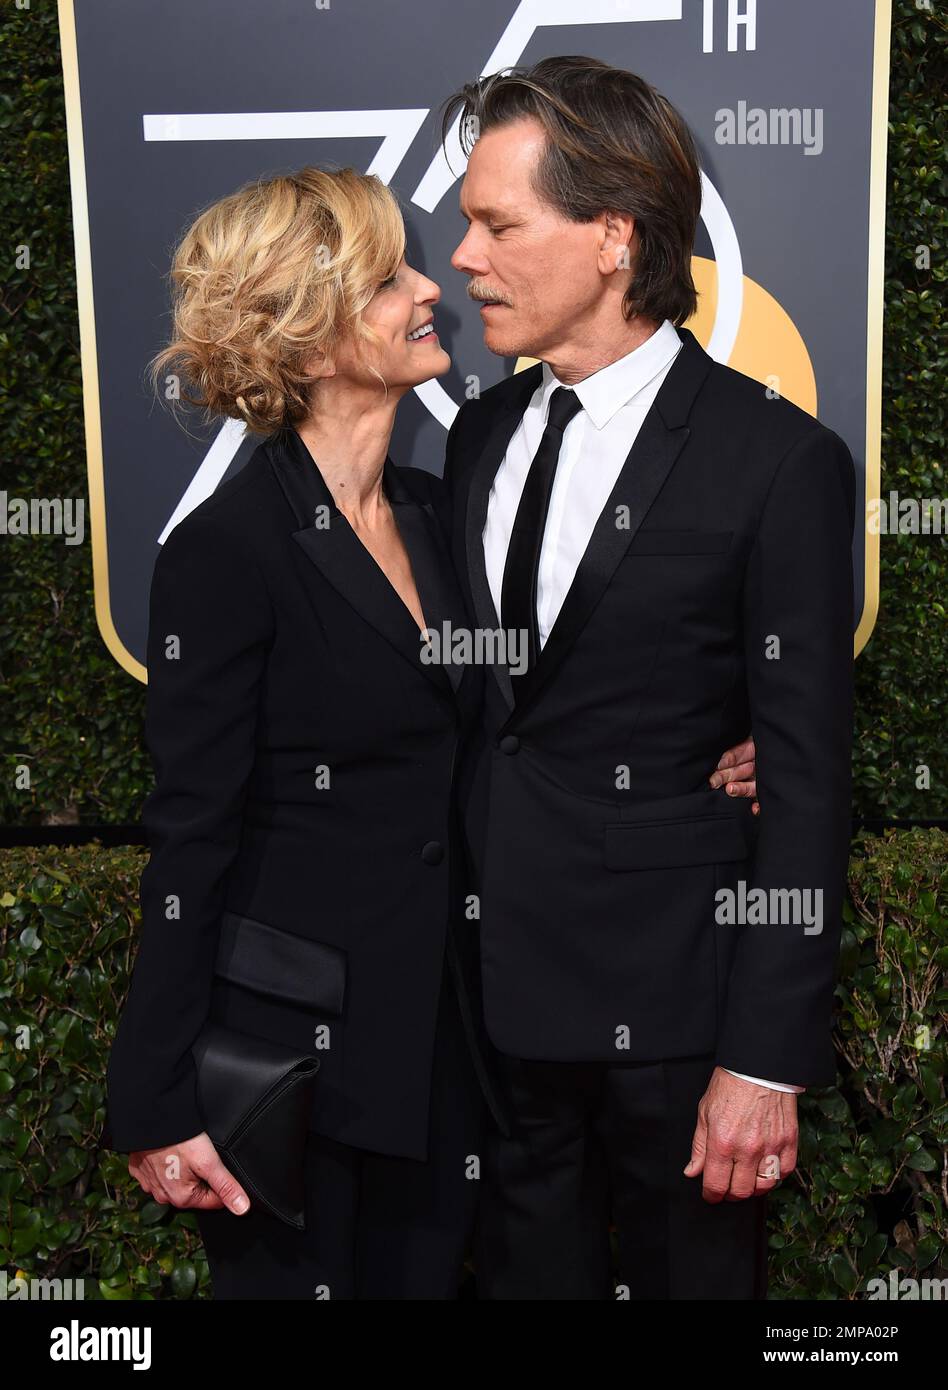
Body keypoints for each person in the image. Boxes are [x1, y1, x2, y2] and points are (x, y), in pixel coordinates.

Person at [101, 163, 759, 1299]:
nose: (432, 290)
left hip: (448, 1052)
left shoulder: (437, 509)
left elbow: (542, 698)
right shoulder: (226, 551)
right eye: (392, 276)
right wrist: (154, 1094)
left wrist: (712, 749)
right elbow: (190, 835)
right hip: (292, 1073)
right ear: (312, 336)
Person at [439, 56, 856, 1299]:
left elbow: (807, 779)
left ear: (613, 235)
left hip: (678, 1027)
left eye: (496, 224)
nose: (463, 257)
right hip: (493, 1011)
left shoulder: (775, 463)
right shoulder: (479, 434)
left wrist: (767, 1060)